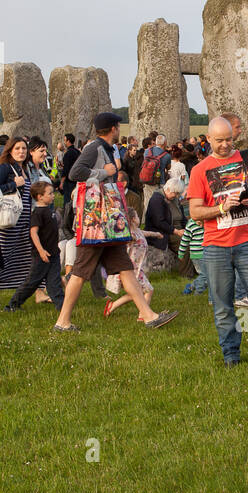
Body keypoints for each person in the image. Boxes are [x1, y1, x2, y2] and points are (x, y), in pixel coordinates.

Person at [54, 113, 177, 332]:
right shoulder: (95, 148)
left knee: (125, 267)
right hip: (97, 224)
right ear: (113, 128)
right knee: (81, 272)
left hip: (109, 223)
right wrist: (103, 172)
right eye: (118, 125)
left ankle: (148, 316)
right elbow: (75, 173)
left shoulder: (108, 148)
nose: (119, 128)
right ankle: (62, 321)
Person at [187, 115, 248, 367]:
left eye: (229, 139)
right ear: (208, 139)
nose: (225, 145)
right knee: (222, 306)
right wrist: (220, 208)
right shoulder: (199, 171)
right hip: (216, 247)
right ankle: (231, 355)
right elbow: (195, 211)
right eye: (219, 141)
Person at [0, 136, 39, 307]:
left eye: (23, 149)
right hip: (8, 221)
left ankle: (37, 292)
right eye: (17, 149)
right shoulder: (4, 168)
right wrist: (12, 185)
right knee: (3, 257)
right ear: (9, 150)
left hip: (23, 219)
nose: (21, 152)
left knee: (25, 258)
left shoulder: (24, 168)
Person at [5, 181, 66, 310]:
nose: (53, 195)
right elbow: (33, 233)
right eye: (50, 193)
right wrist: (41, 251)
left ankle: (62, 307)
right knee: (32, 282)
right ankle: (13, 305)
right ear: (40, 197)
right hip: (41, 256)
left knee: (54, 283)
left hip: (53, 254)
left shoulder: (50, 211)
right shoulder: (38, 213)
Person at [145, 180, 183, 253]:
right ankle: (182, 264)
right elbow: (159, 222)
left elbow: (182, 217)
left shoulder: (175, 199)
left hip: (177, 230)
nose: (177, 196)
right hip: (164, 232)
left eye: (178, 194)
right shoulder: (157, 199)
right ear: (168, 189)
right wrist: (176, 231)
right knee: (185, 245)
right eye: (176, 193)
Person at [179, 213, 208, 298]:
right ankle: (198, 293)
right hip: (197, 255)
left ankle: (192, 286)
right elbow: (185, 240)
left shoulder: (207, 222)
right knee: (206, 275)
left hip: (207, 253)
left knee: (206, 275)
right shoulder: (191, 224)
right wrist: (181, 253)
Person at [58, 133, 80, 207]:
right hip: (77, 179)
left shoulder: (68, 153)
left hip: (69, 180)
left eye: (65, 140)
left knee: (67, 200)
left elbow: (66, 170)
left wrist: (62, 182)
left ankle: (67, 216)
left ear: (68, 141)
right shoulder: (78, 152)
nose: (64, 142)